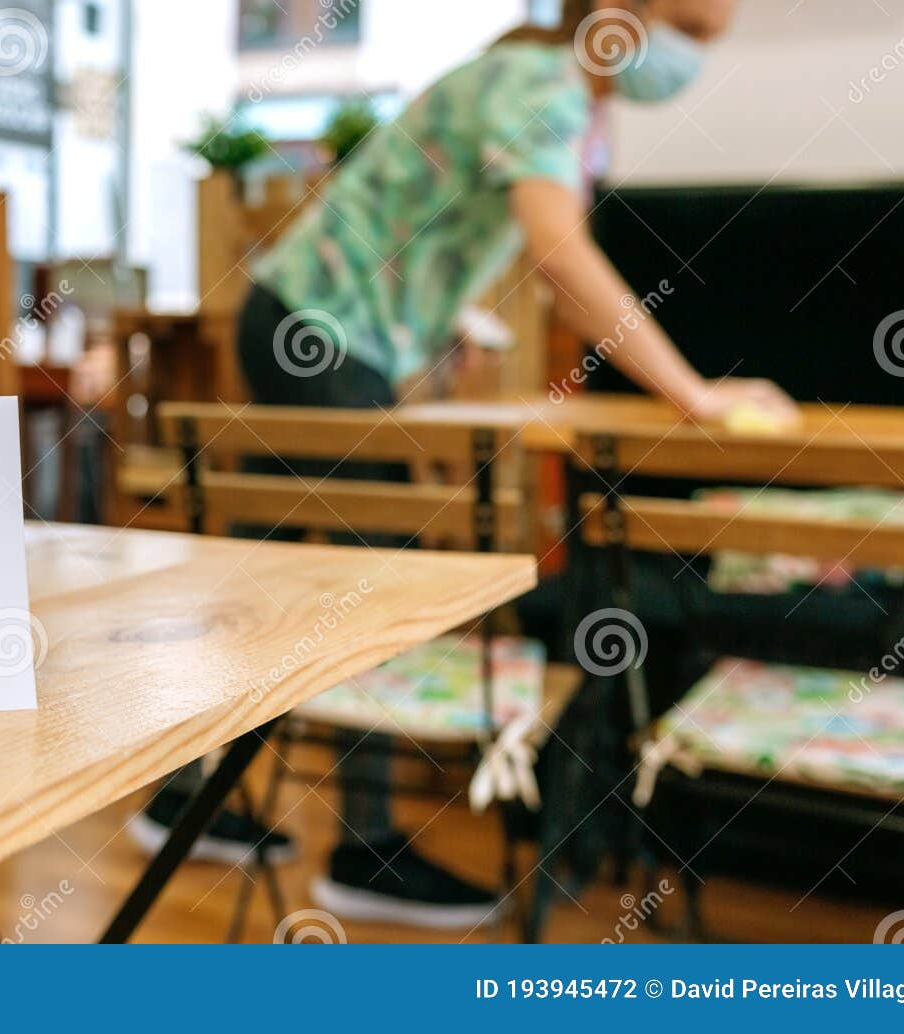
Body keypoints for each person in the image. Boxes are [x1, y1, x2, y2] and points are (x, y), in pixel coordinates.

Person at [129, 0, 796, 930]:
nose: (691, 58)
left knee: (277, 561)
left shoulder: (551, 91)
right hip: (321, 328)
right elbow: (559, 251)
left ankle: (189, 794)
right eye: (689, 29)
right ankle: (363, 848)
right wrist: (693, 391)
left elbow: (449, 226)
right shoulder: (542, 84)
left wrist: (441, 334)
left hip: (303, 317)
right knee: (371, 581)